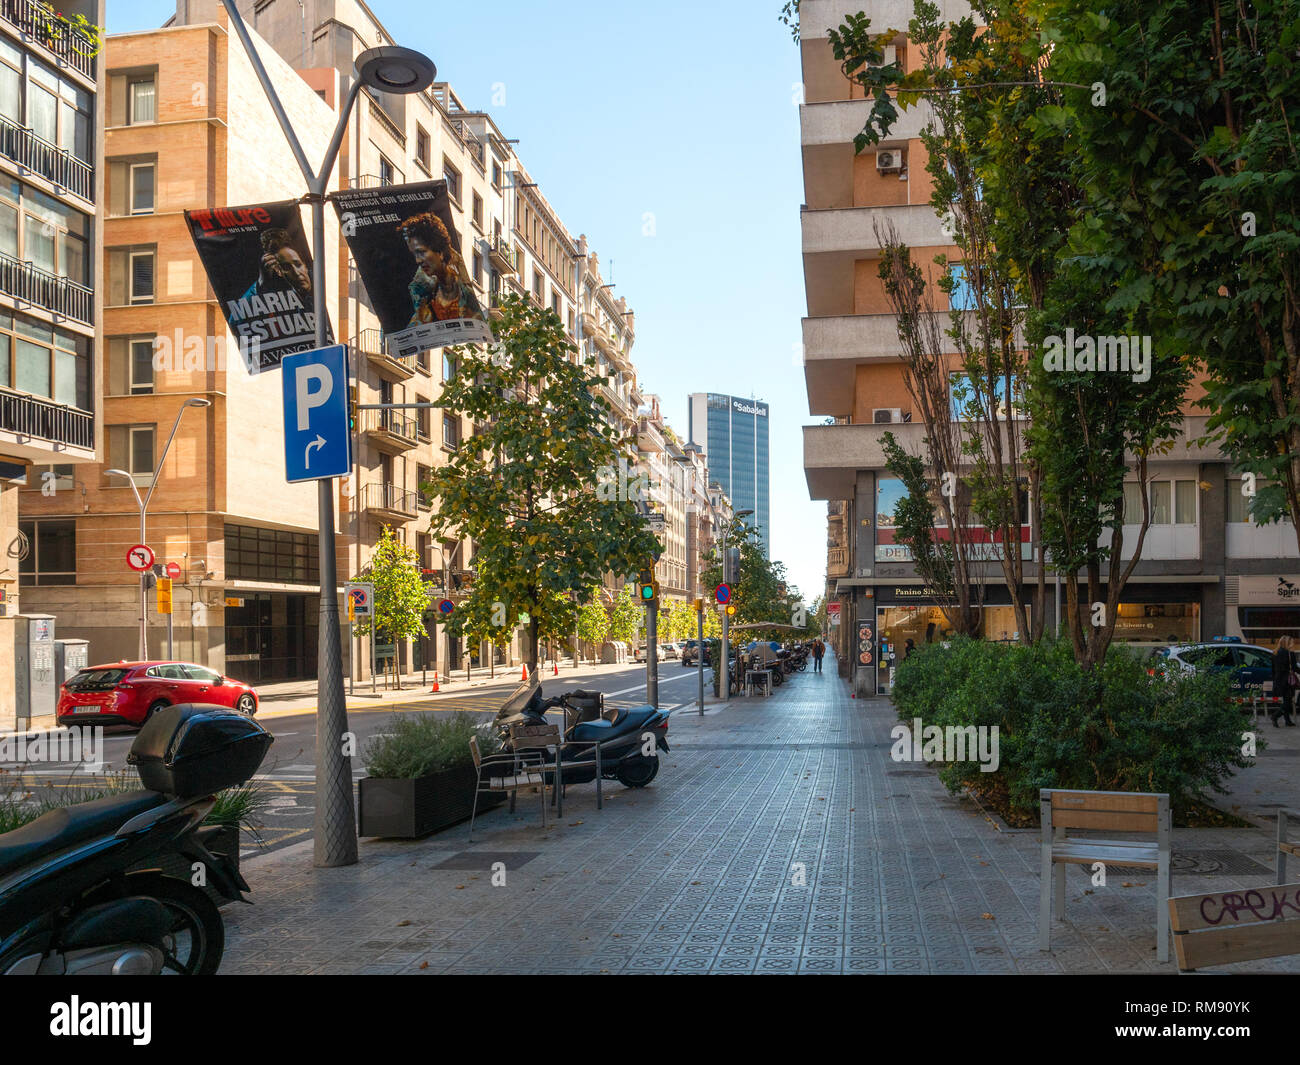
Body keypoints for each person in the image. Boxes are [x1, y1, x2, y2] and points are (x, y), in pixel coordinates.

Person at [399, 211, 485, 326]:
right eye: (415, 254)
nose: (418, 260)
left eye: (421, 252)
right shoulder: (422, 294)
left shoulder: (465, 292)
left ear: (440, 252)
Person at [1273, 635, 1296, 727]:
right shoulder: (1289, 653)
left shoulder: (1275, 652)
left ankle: (1287, 720)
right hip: (1287, 681)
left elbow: (1273, 669)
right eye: (1292, 642)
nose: (1293, 644)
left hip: (1279, 681)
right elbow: (1294, 667)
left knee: (1286, 700)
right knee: (1287, 702)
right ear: (1287, 643)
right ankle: (1275, 716)